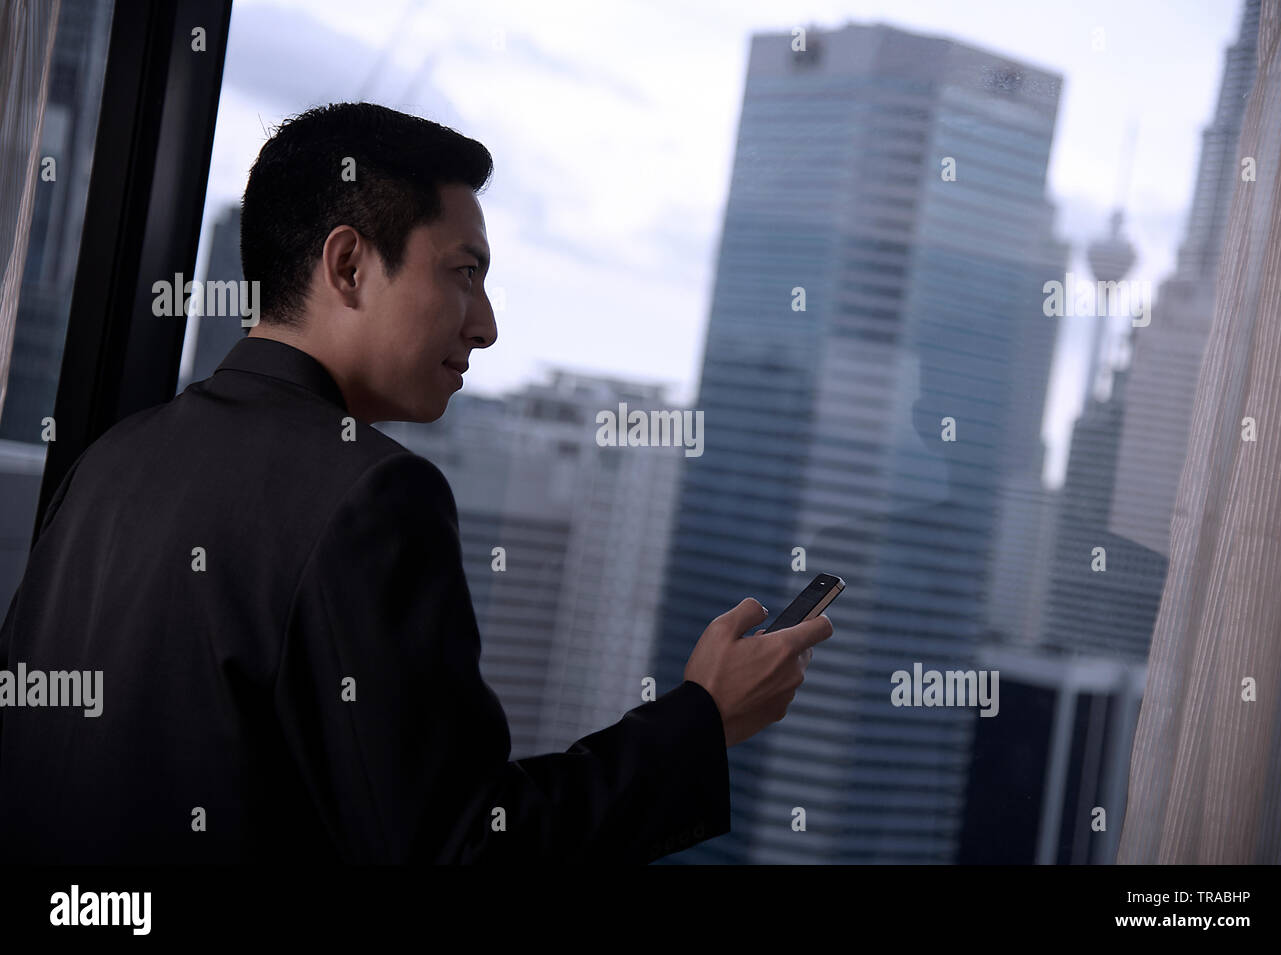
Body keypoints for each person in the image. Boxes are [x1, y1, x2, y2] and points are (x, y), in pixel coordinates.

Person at [0, 102, 831, 863]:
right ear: (349, 266)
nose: (487, 325)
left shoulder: (113, 457)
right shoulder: (372, 496)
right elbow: (463, 849)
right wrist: (702, 719)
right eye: (465, 273)